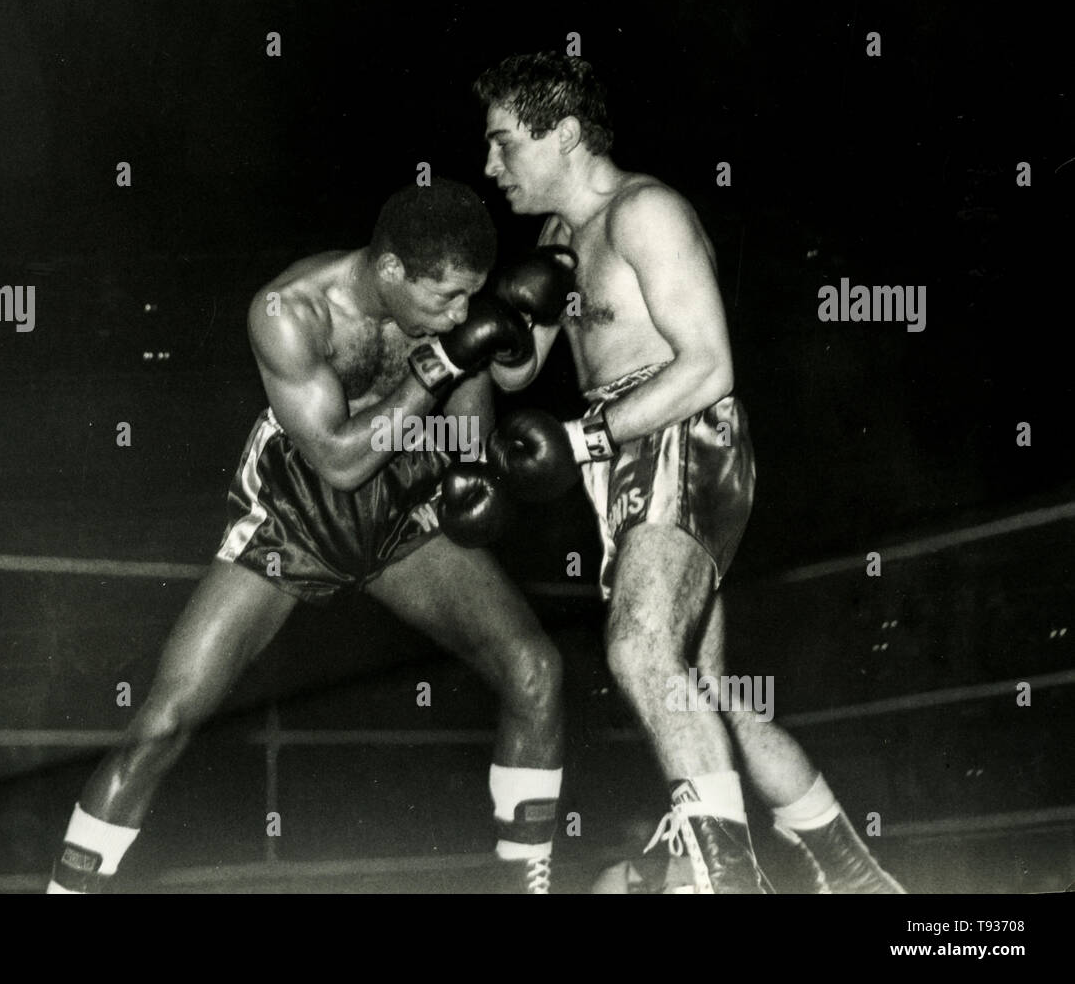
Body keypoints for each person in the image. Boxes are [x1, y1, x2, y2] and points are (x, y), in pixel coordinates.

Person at [46, 179, 568, 894]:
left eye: (465, 301)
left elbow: (467, 405)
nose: (457, 313)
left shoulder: (451, 297)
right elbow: (341, 462)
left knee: (535, 669)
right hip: (300, 510)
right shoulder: (289, 311)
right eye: (442, 299)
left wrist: (472, 468)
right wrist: (440, 364)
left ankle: (526, 887)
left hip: (405, 509)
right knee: (165, 722)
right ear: (390, 271)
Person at [473, 52, 904, 893]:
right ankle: (859, 877)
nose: (490, 167)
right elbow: (525, 374)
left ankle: (726, 883)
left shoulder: (647, 214)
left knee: (637, 649)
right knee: (702, 697)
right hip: (619, 455)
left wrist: (585, 441)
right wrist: (501, 331)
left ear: (562, 133)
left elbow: (709, 367)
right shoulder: (558, 240)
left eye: (501, 144)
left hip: (681, 434)